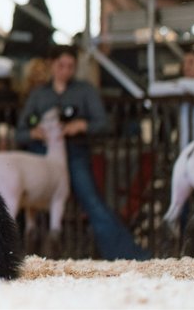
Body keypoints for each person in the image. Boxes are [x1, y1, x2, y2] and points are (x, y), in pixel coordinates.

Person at [16, 44, 150, 261]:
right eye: (61, 65)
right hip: (42, 157)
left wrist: (82, 125)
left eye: (71, 66)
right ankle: (28, 258)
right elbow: (21, 132)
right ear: (52, 65)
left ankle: (128, 256)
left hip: (74, 153)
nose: (66, 70)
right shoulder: (38, 95)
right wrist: (35, 132)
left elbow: (103, 123)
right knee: (30, 207)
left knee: (92, 203)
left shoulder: (84, 90)